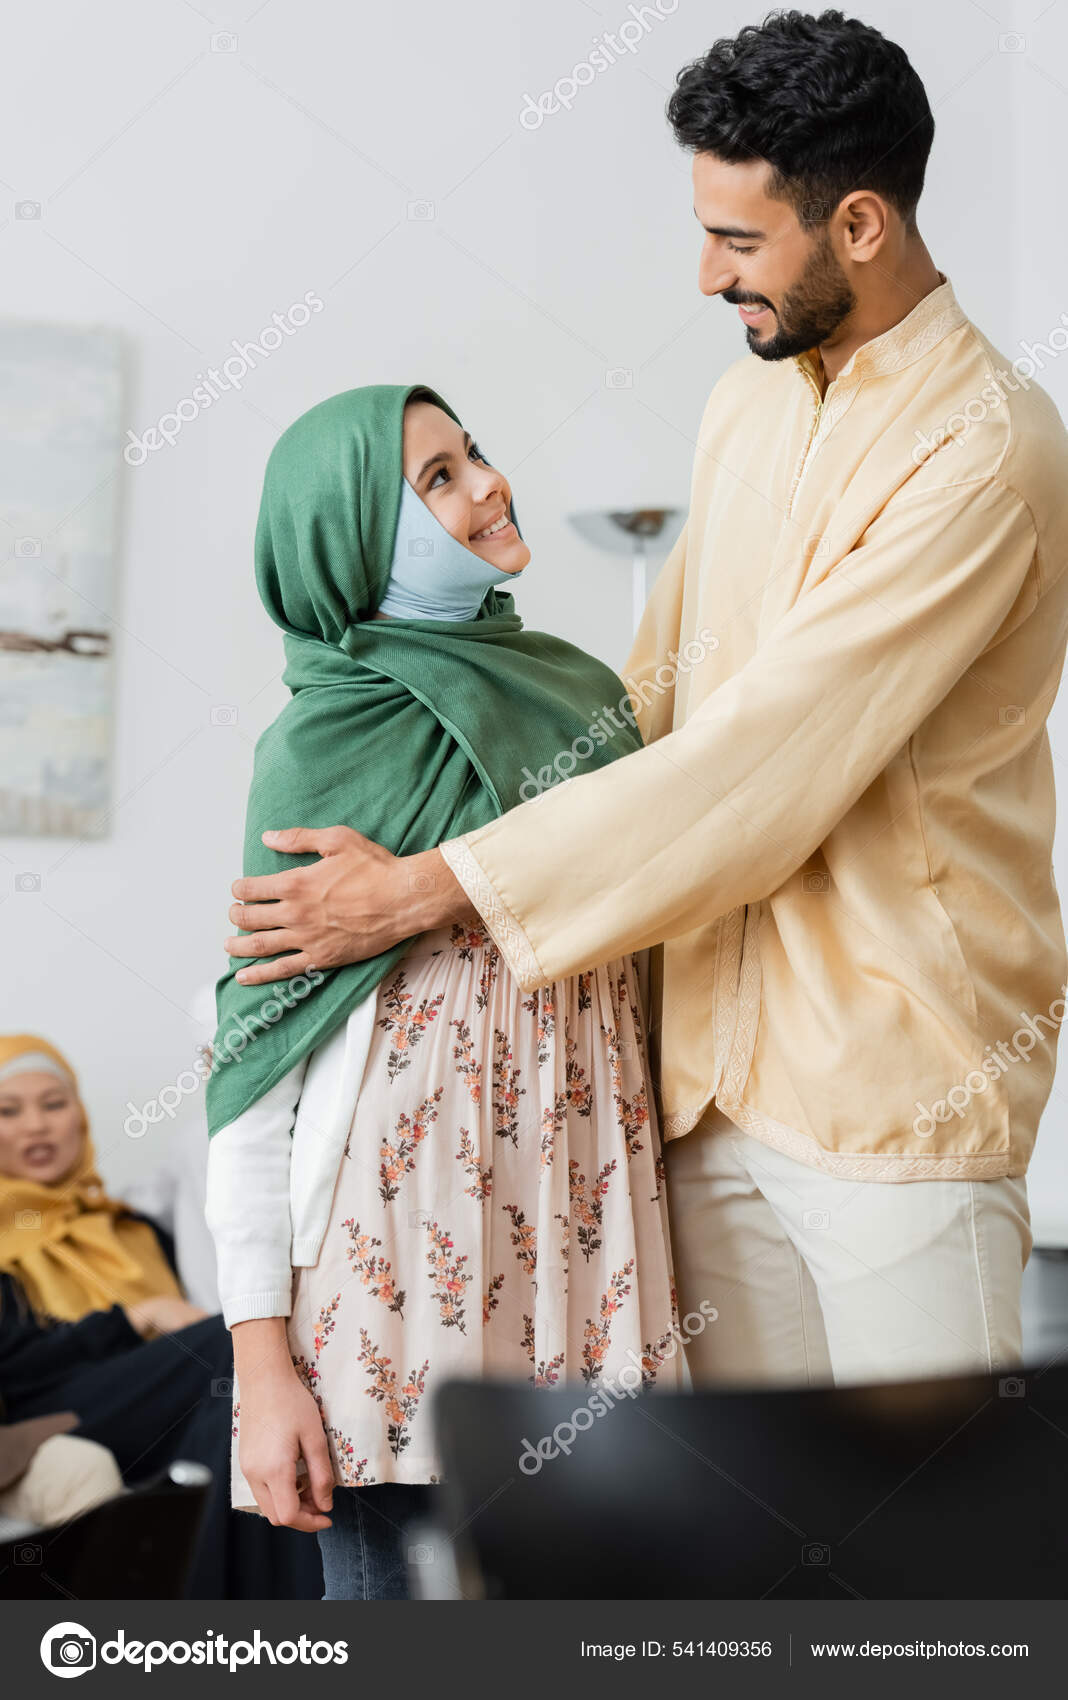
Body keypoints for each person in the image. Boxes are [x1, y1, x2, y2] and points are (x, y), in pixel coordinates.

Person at [219, 13, 1068, 1389]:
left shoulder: (988, 452)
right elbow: (656, 709)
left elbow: (765, 763)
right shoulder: (751, 409)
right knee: (741, 1567)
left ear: (857, 224)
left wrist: (432, 884)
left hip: (894, 1095)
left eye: (738, 242)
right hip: (693, 1079)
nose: (704, 274)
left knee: (925, 1567)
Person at [203, 383, 681, 1602]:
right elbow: (255, 1071)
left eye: (475, 455)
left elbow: (650, 874)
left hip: (587, 1233)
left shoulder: (585, 699)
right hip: (393, 1272)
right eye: (437, 480)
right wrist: (260, 1362)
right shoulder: (321, 743)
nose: (488, 485)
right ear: (354, 540)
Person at [0, 1033, 321, 1599]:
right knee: (235, 1349)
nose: (36, 1126)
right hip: (45, 1412)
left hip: (156, 1409)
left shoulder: (134, 1226)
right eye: (9, 1111)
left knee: (238, 1404)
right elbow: (15, 1370)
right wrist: (135, 1317)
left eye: (54, 1104)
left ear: (79, 1116)